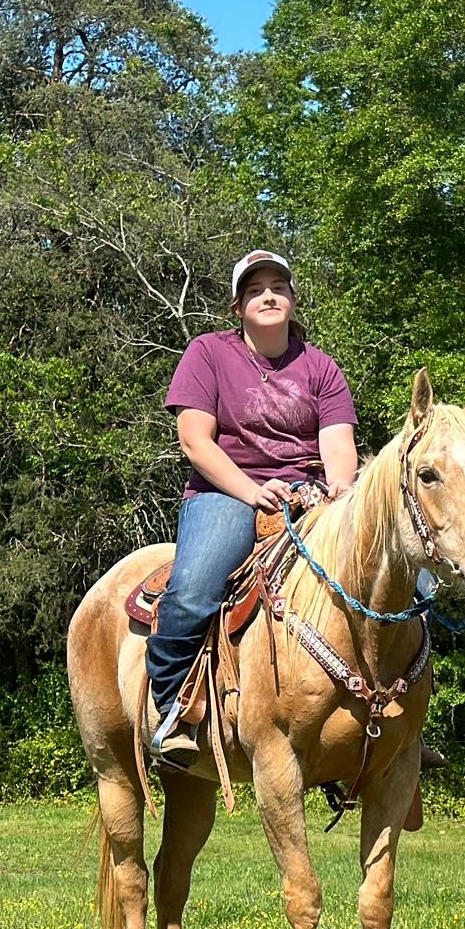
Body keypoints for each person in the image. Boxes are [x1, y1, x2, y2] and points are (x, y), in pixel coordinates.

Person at [147, 251, 359, 764]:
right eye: (256, 288)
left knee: (397, 571)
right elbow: (196, 442)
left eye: (278, 287)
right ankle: (174, 710)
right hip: (226, 492)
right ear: (238, 305)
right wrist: (250, 490)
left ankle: (405, 723)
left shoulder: (320, 367)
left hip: (309, 496)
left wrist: (338, 496)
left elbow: (338, 448)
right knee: (196, 587)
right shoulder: (208, 354)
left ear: (292, 299)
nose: (268, 295)